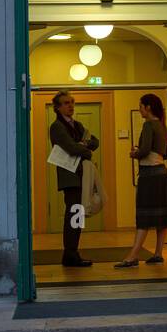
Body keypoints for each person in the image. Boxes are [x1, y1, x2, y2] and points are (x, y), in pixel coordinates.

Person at [116, 93, 167, 268]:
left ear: (148, 107)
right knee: (162, 217)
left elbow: (143, 151)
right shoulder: (162, 125)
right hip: (163, 175)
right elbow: (165, 153)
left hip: (149, 176)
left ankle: (133, 256)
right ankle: (158, 253)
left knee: (144, 217)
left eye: (141, 106)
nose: (140, 109)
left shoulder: (148, 125)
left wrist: (134, 153)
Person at [48, 90, 99, 268]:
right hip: (70, 176)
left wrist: (83, 145)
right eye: (66, 103)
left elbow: (95, 141)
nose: (70, 106)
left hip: (80, 176)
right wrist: (85, 148)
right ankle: (70, 254)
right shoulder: (57, 126)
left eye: (72, 102)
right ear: (57, 107)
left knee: (78, 214)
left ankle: (72, 253)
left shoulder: (78, 125)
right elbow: (71, 148)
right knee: (73, 214)